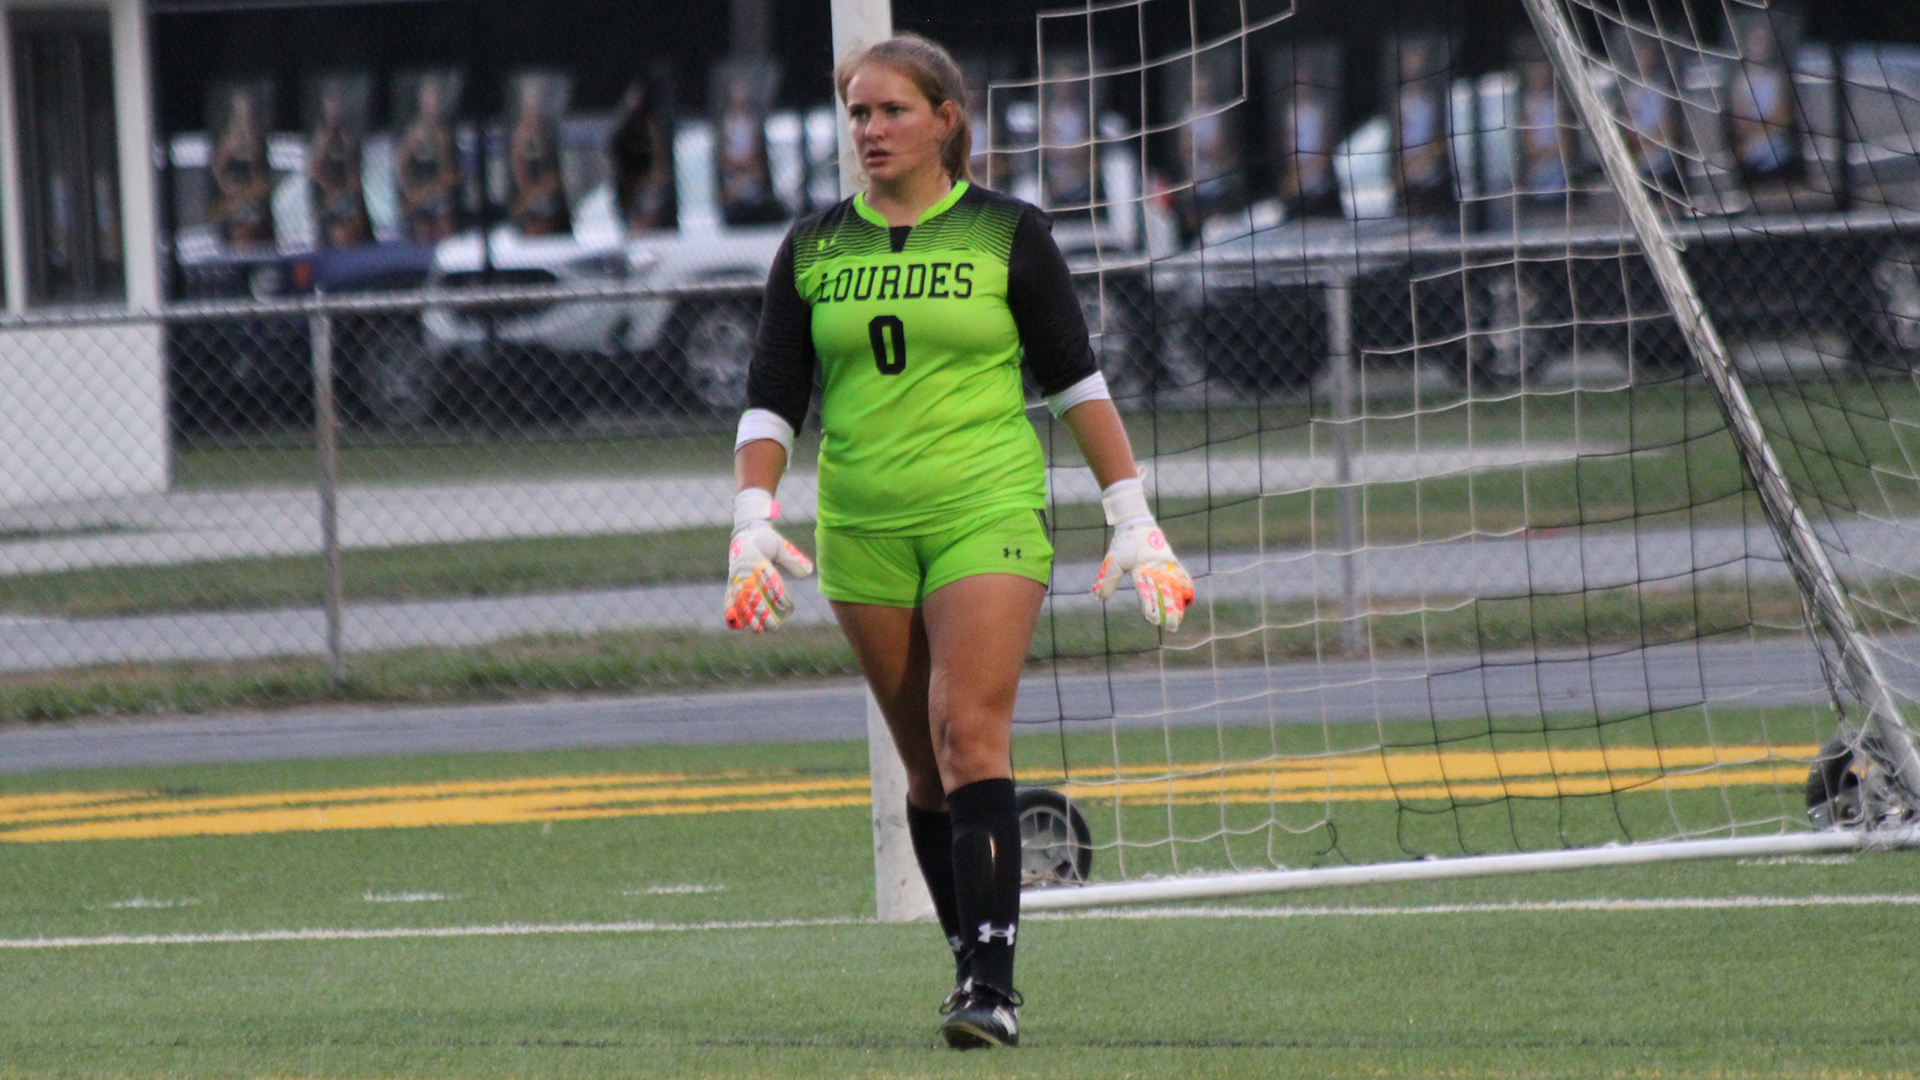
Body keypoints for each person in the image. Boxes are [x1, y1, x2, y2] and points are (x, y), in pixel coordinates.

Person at [721, 33, 1193, 1050]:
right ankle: (969, 965)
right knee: (925, 771)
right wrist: (752, 517)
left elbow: (1078, 384)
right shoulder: (811, 247)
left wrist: (1132, 514)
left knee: (969, 733)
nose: (870, 130)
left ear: (947, 118)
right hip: (862, 528)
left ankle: (993, 988)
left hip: (986, 511)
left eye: (891, 110)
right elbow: (771, 401)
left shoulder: (1006, 232)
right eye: (856, 113)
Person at [309, 84, 372, 249]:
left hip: (348, 198)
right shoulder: (321, 137)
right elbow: (315, 170)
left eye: (337, 106)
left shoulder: (349, 136)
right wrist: (332, 190)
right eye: (330, 107)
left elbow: (355, 175)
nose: (334, 111)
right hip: (329, 202)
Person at [211, 88, 275, 247]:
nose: (246, 114)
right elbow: (218, 168)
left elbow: (260, 171)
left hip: (253, 195)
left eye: (248, 110)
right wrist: (228, 188)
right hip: (237, 196)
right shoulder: (231, 138)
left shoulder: (258, 137)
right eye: (242, 110)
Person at [398, 78, 459, 243]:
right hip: (417, 195)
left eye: (435, 103)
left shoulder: (444, 135)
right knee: (422, 230)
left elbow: (449, 174)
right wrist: (410, 191)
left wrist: (434, 189)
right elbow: (401, 168)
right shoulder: (413, 135)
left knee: (445, 225)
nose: (432, 108)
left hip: (437, 195)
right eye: (428, 103)